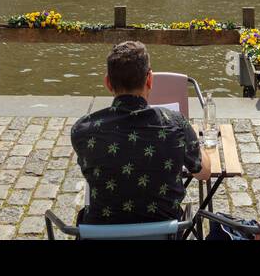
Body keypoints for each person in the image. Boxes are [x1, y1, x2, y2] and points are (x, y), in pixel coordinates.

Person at [69, 41, 210, 225]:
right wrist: (202, 143)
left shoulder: (83, 130)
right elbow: (204, 173)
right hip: (164, 236)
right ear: (149, 79)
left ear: (108, 82)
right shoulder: (176, 125)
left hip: (102, 235)